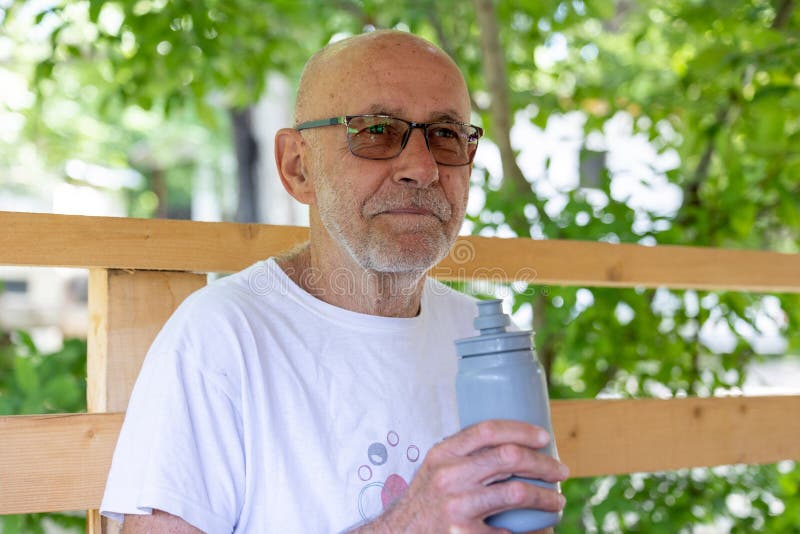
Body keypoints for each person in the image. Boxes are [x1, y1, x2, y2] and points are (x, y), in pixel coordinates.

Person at [100, 29, 569, 533]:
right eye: (376, 131)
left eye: (447, 134)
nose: (422, 167)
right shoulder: (221, 338)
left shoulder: (481, 338)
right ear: (297, 167)